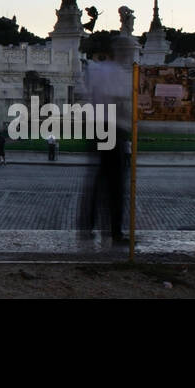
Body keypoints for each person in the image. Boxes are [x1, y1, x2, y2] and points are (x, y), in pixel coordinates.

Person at [82, 47, 131, 244]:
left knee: (99, 179)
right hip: (111, 126)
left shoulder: (98, 70)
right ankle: (114, 231)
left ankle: (88, 226)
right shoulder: (116, 72)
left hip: (97, 126)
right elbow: (117, 100)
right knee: (116, 182)